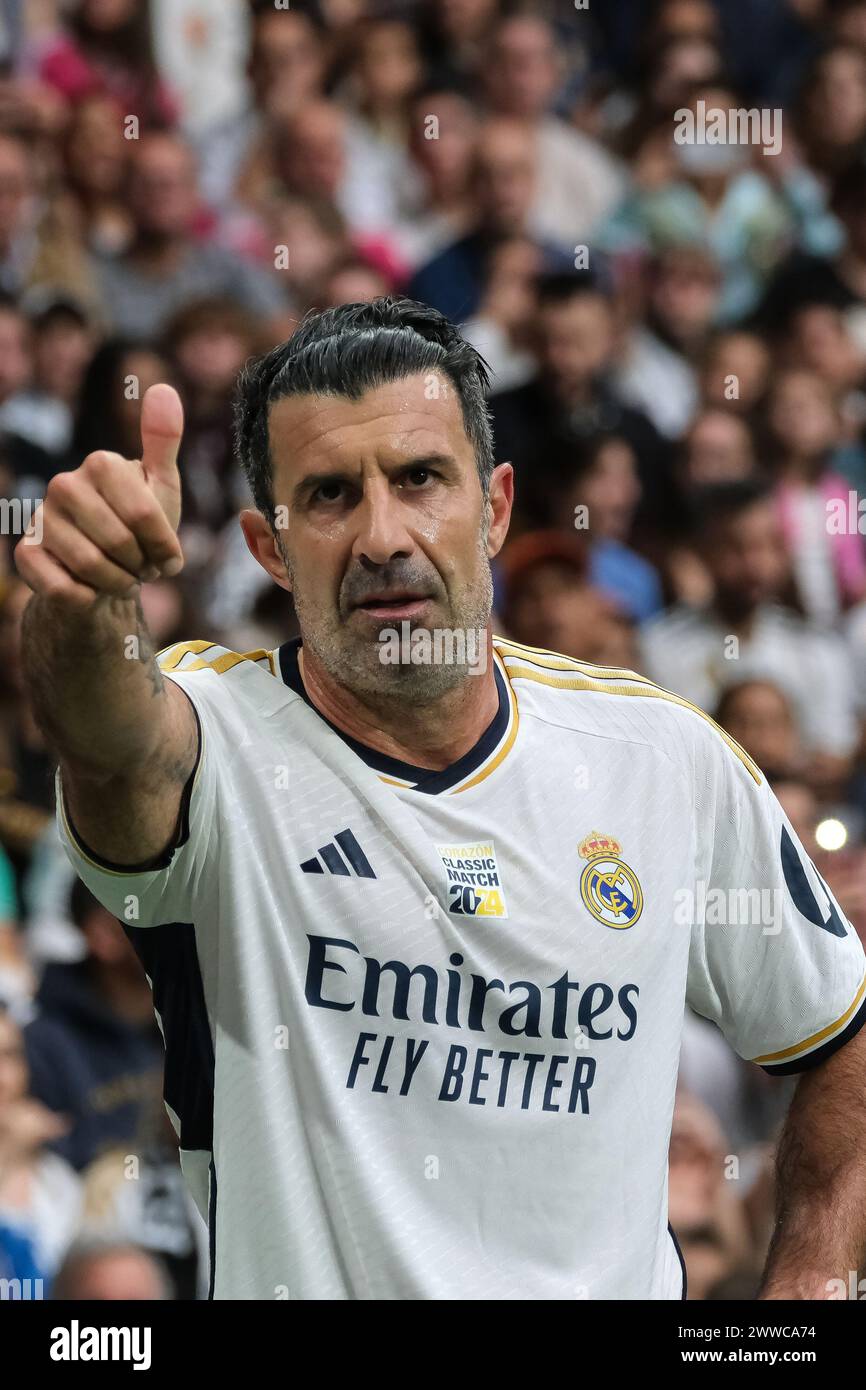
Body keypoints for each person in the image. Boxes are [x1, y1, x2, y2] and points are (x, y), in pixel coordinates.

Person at [13, 296, 866, 1301]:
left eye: (419, 479)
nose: (382, 536)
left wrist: (800, 1299)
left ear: (495, 505)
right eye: (328, 496)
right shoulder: (217, 744)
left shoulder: (664, 759)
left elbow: (838, 1039)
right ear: (267, 546)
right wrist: (86, 603)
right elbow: (105, 735)